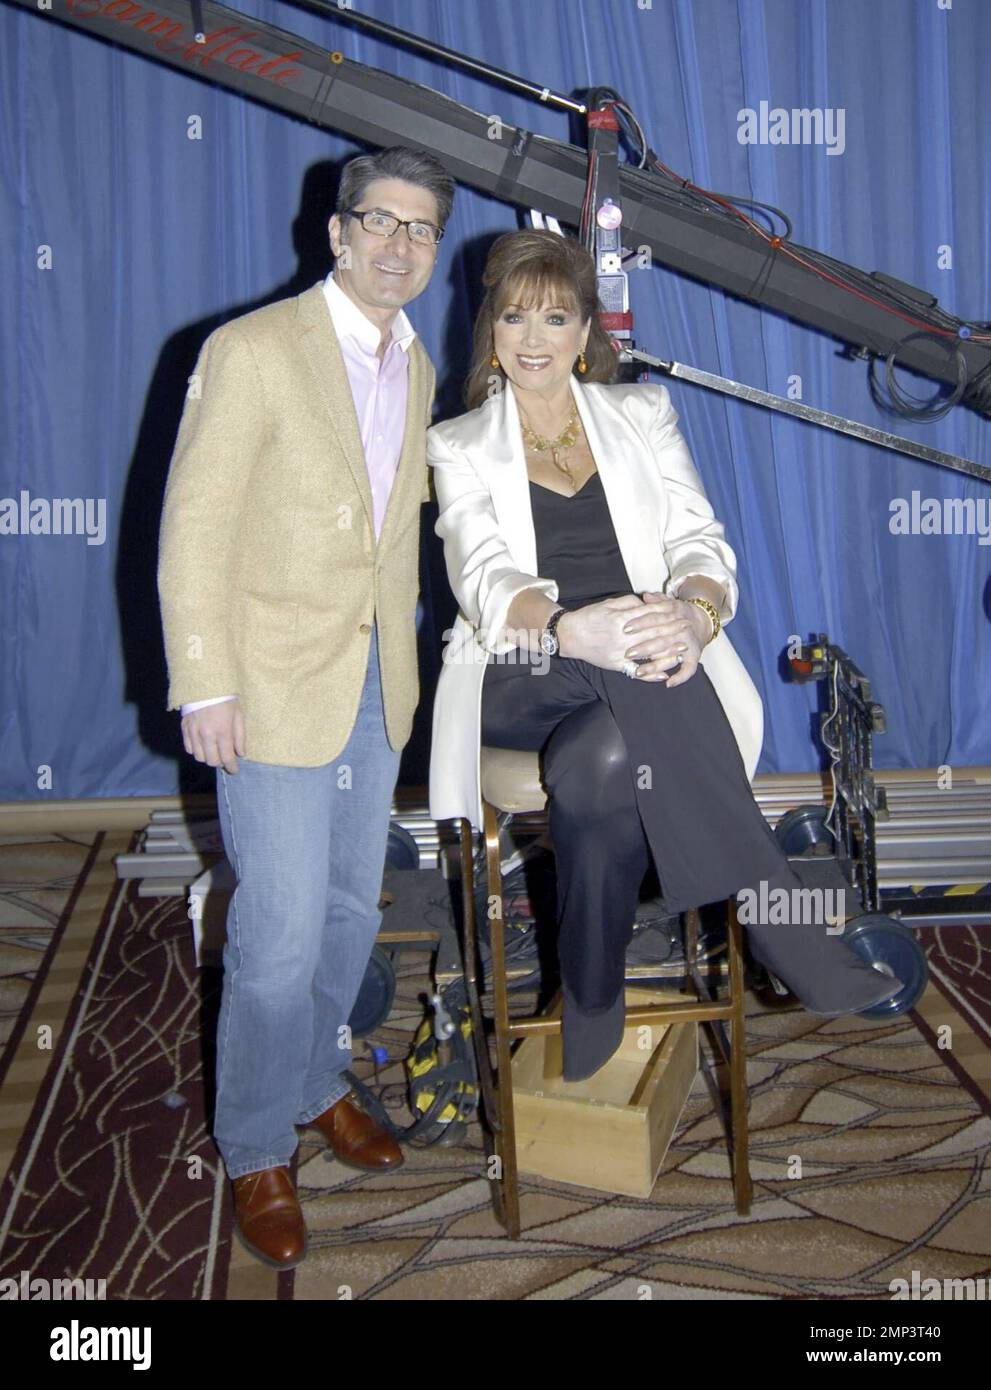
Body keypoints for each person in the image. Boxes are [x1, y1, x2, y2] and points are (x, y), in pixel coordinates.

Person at [426, 229, 902, 1082]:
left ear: (584, 336)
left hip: (643, 663)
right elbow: (482, 577)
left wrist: (692, 614)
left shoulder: (640, 413)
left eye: (555, 317)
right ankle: (780, 918)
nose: (533, 338)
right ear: (489, 334)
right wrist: (573, 626)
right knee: (620, 662)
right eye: (513, 317)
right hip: (519, 661)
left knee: (603, 761)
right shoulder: (458, 443)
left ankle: (592, 995)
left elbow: (700, 541)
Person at [157, 146, 454, 1269]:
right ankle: (251, 1145)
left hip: (375, 679)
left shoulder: (416, 361)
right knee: (275, 938)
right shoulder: (252, 350)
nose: (397, 245)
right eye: (378, 221)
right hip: (267, 682)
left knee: (345, 910)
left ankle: (319, 1079)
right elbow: (194, 526)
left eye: (419, 230)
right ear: (335, 233)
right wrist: (206, 684)